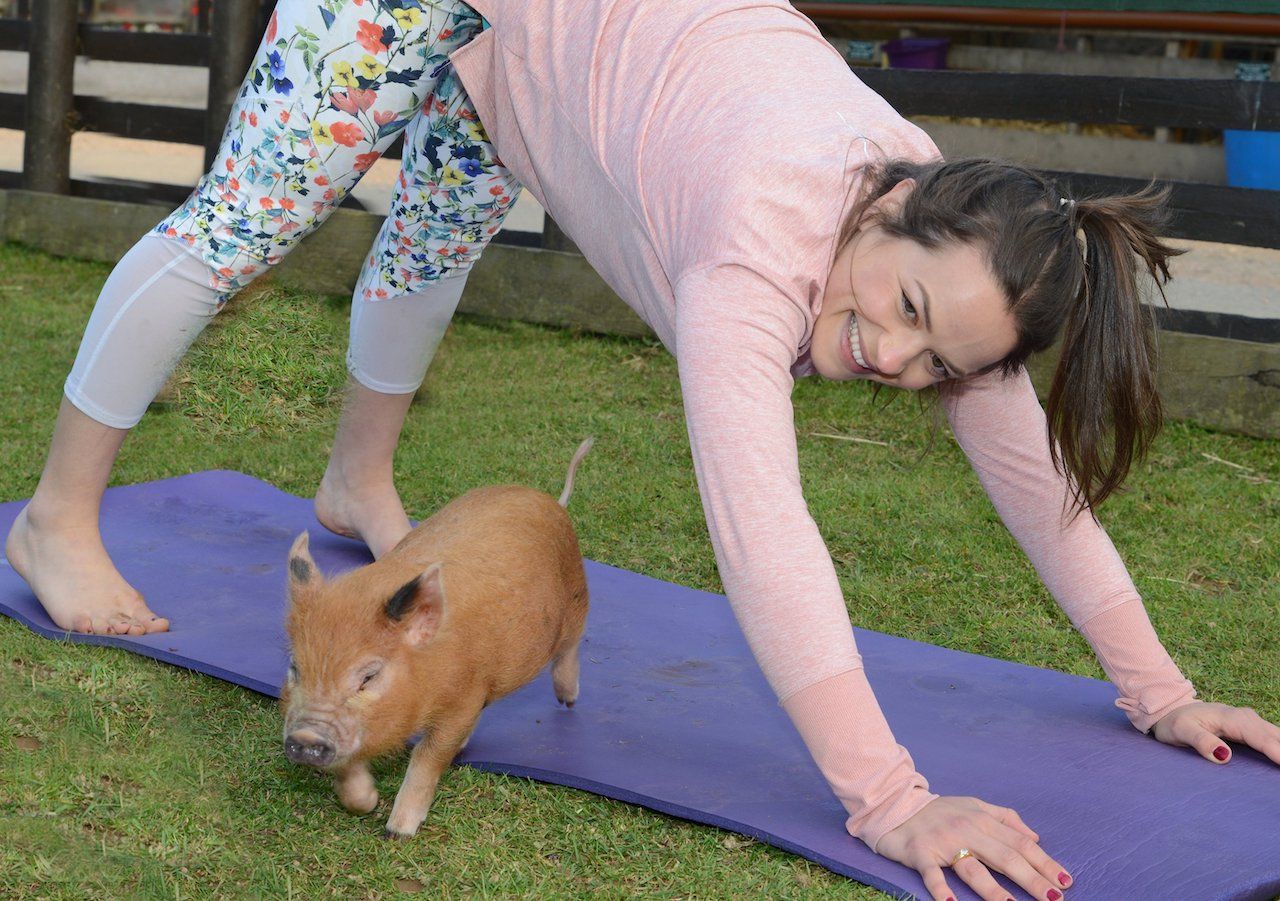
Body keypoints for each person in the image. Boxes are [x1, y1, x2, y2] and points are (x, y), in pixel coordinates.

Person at [6, 2, 1278, 898]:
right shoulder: (757, 239)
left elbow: (1035, 486)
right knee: (250, 217)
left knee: (437, 233)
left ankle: (358, 477)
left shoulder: (965, 250)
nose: (897, 361)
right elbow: (763, 528)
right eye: (900, 314)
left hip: (549, 41)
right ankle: (57, 517)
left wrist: (1156, 691)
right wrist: (890, 798)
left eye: (935, 360)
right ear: (888, 208)